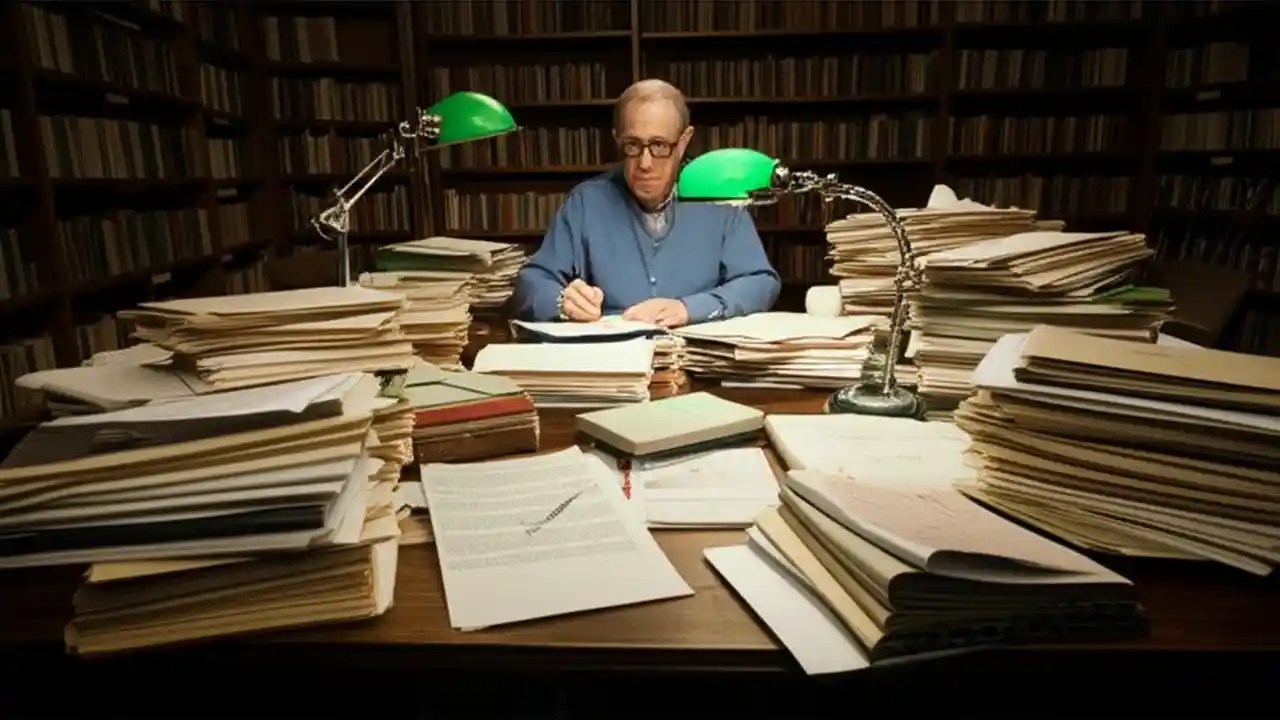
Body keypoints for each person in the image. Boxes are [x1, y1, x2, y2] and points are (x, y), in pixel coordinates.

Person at [511, 79, 781, 327]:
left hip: (696, 367)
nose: (645, 163)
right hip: (614, 367)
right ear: (618, 140)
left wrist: (688, 309)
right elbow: (530, 284)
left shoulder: (720, 200)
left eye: (660, 145)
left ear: (684, 142)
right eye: (632, 145)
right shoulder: (585, 203)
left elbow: (760, 283)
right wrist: (563, 302)